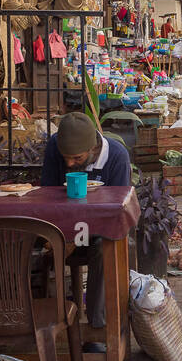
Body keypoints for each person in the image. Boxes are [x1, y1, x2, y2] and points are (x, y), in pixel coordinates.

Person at [40, 112, 131, 343]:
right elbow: (47, 196)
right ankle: (44, 323)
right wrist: (62, 235)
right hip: (63, 226)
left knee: (103, 248)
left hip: (102, 231)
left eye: (77, 158)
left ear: (93, 148)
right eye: (65, 158)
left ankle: (98, 328)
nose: (69, 164)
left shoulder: (117, 157)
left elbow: (116, 214)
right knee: (25, 236)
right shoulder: (54, 147)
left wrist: (74, 238)